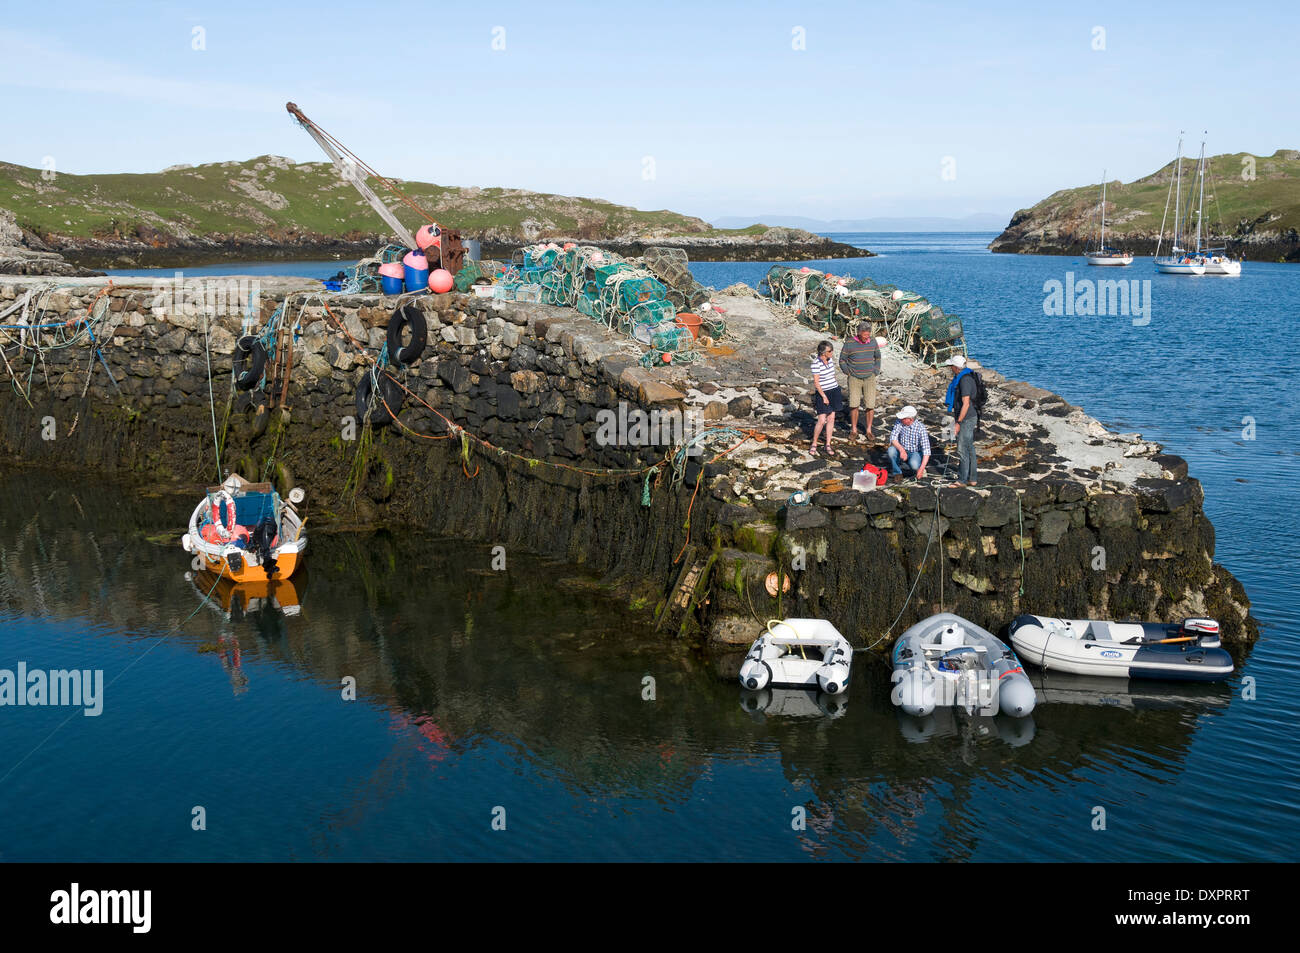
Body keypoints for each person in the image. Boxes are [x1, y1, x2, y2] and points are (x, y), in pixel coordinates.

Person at [839, 326, 880, 442]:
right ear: (859, 333)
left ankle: (868, 430)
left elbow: (878, 357)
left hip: (870, 378)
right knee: (854, 404)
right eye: (865, 335)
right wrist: (847, 372)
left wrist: (876, 371)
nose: (867, 337)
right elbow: (842, 359)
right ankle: (854, 430)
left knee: (870, 405)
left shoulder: (873, 341)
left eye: (868, 334)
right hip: (854, 378)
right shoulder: (849, 343)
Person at [943, 354, 979, 486]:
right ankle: (973, 479)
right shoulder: (965, 376)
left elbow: (966, 403)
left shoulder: (964, 381)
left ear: (956, 367)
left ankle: (962, 480)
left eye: (951, 366)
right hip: (969, 416)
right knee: (969, 448)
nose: (950, 368)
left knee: (962, 449)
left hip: (967, 418)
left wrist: (958, 422)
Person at [809, 340, 841, 456]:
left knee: (831, 418)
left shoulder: (830, 360)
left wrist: (836, 387)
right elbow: (816, 383)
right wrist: (823, 396)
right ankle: (814, 443)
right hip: (823, 392)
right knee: (822, 420)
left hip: (834, 390)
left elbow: (832, 375)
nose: (832, 352)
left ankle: (828, 443)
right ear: (823, 353)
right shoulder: (815, 364)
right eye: (829, 351)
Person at [887, 406, 931, 479]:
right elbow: (893, 438)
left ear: (910, 419)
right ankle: (897, 473)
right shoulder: (899, 422)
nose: (900, 419)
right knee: (891, 451)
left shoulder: (921, 428)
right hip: (902, 449)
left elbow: (926, 451)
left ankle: (915, 468)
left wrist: (921, 469)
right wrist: (901, 450)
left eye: (903, 418)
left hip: (915, 452)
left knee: (914, 465)